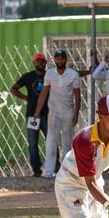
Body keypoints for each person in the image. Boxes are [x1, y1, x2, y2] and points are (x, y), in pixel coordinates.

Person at [34, 48, 82, 178]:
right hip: (53, 112)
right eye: (57, 58)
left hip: (68, 111)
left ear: (66, 59)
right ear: (54, 59)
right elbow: (44, 93)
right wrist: (37, 111)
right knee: (51, 140)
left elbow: (77, 96)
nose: (59, 60)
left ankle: (66, 171)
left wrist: (76, 113)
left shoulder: (73, 74)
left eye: (62, 58)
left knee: (67, 141)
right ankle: (48, 172)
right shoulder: (49, 74)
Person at [9, 53, 48, 177]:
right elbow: (13, 89)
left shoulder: (50, 75)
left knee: (51, 142)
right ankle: (37, 170)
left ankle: (55, 167)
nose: (40, 63)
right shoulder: (28, 76)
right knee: (32, 144)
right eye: (37, 61)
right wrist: (26, 97)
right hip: (31, 115)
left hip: (48, 114)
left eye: (42, 61)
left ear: (46, 63)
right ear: (34, 63)